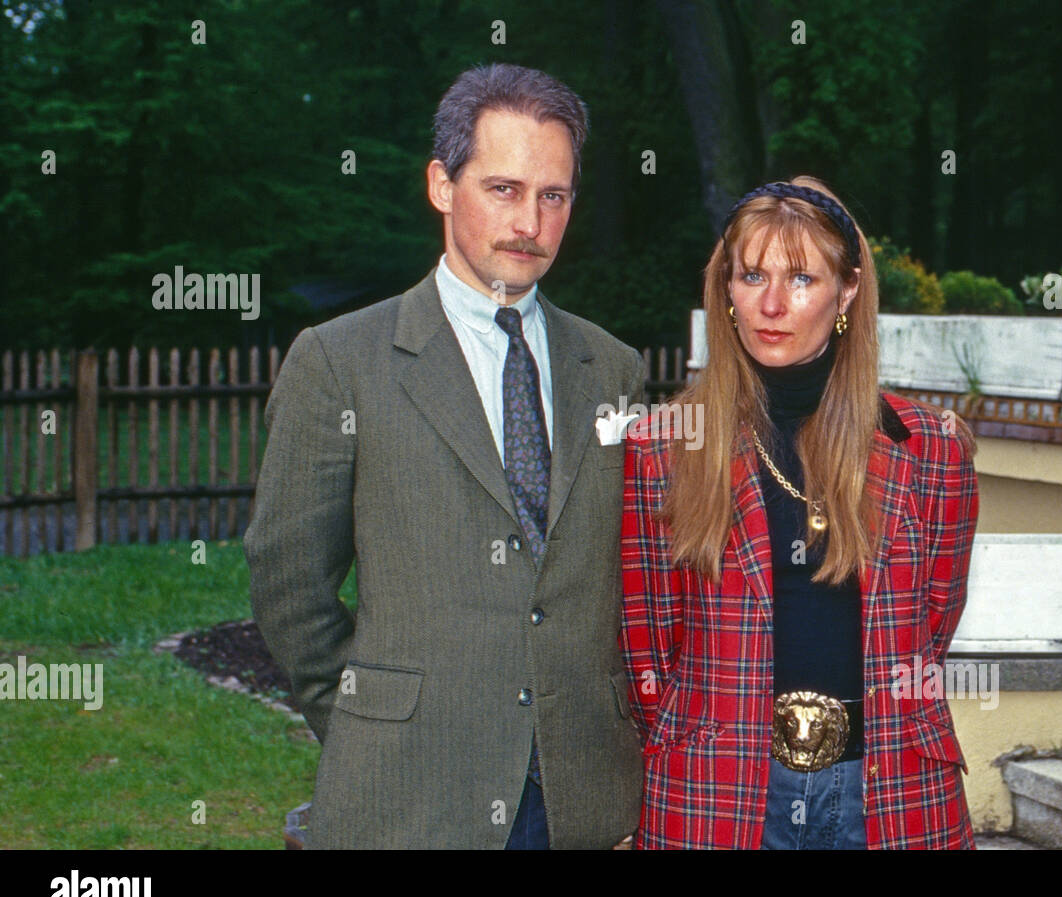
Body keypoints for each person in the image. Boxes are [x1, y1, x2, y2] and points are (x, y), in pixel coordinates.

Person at [244, 63, 645, 849]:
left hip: (577, 797)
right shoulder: (340, 361)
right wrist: (373, 719)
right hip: (409, 792)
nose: (530, 220)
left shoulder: (615, 368)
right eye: (503, 189)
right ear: (440, 185)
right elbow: (289, 580)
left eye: (553, 195)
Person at [619, 176, 980, 849]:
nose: (772, 304)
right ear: (725, 288)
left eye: (802, 279)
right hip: (717, 788)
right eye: (752, 274)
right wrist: (693, 739)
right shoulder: (662, 445)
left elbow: (932, 625)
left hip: (888, 785)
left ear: (846, 293)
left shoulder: (933, 449)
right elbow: (648, 646)